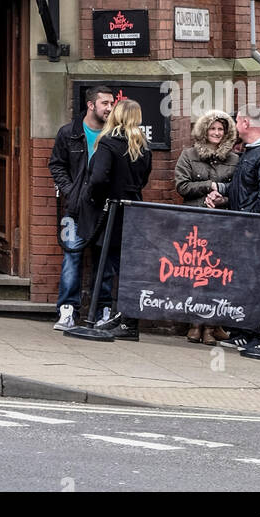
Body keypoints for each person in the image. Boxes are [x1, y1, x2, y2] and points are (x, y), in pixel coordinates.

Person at [204, 105, 260, 348]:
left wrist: (250, 221)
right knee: (246, 280)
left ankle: (256, 334)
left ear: (245, 123)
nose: (234, 126)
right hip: (250, 226)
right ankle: (244, 332)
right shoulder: (253, 151)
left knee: (256, 282)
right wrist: (223, 195)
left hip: (257, 230)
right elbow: (246, 188)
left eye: (237, 121)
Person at [84, 98, 153, 341]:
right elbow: (143, 179)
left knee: (106, 264)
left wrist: (94, 198)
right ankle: (125, 321)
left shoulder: (108, 142)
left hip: (111, 210)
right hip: (134, 210)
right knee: (128, 268)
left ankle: (103, 317)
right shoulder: (143, 145)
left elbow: (98, 178)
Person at [48, 83, 115, 331]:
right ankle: (67, 311)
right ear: (91, 105)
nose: (110, 107)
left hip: (104, 209)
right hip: (74, 210)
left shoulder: (114, 135)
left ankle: (102, 310)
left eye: (112, 103)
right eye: (105, 103)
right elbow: (56, 165)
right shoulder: (69, 133)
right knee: (71, 256)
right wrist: (70, 192)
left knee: (105, 259)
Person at [173, 110, 239, 344]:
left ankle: (212, 325)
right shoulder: (188, 155)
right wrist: (208, 186)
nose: (217, 133)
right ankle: (195, 323)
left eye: (221, 129)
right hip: (195, 223)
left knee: (217, 274)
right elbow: (182, 185)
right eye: (213, 129)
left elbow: (238, 191)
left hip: (222, 223)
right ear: (204, 130)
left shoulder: (234, 159)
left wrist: (222, 198)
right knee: (195, 273)